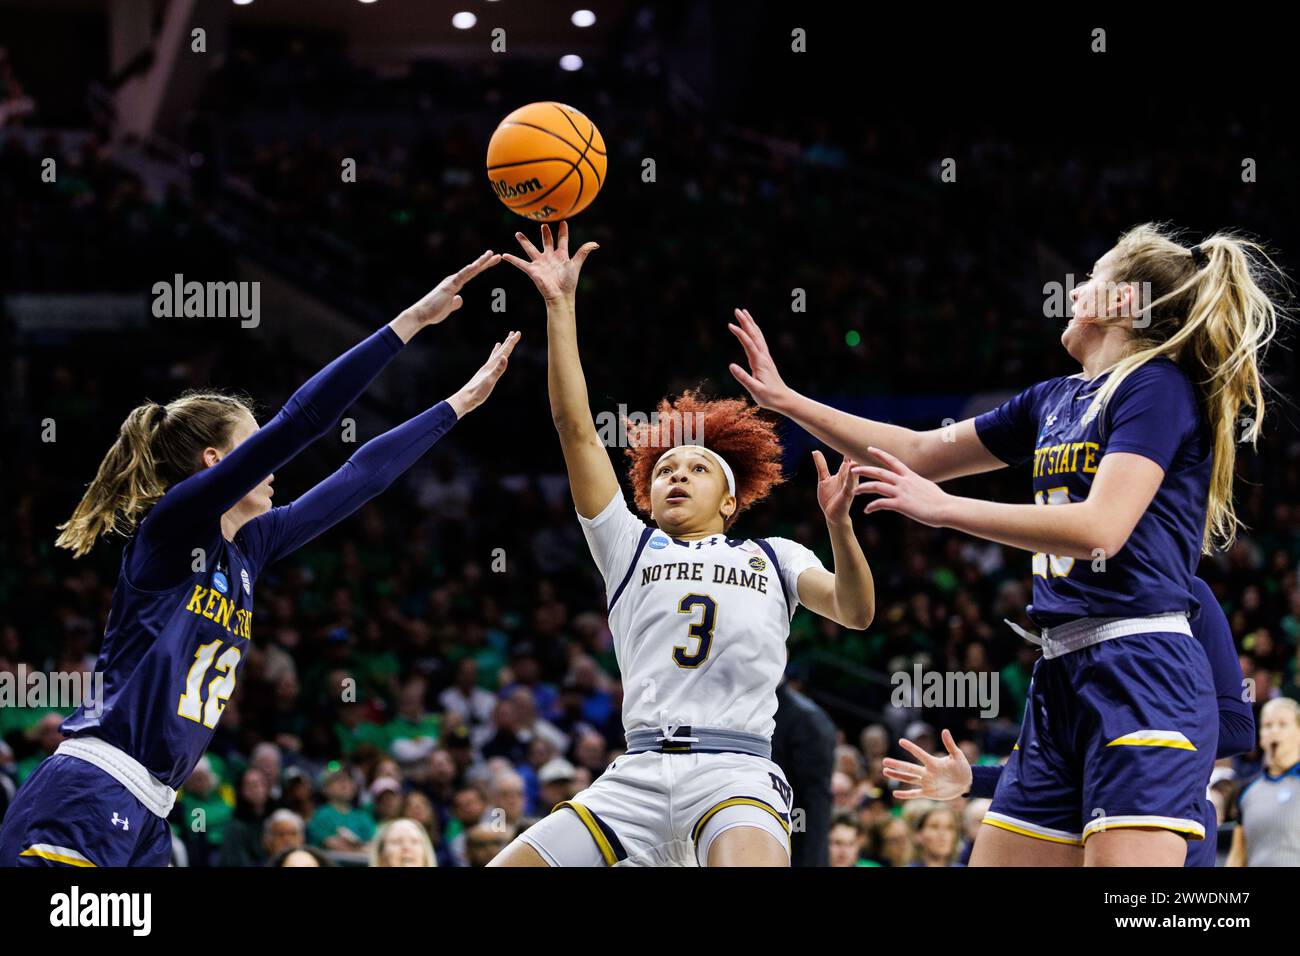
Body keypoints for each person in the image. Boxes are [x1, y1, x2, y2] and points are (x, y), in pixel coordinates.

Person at [731, 225, 1282, 866]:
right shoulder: (1052, 399)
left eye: (1092, 278)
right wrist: (788, 401)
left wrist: (945, 511)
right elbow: (917, 452)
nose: (1075, 292)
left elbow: (1102, 527)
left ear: (1123, 303)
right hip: (1061, 675)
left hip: (1142, 669)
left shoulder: (1154, 386)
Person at [0, 251, 516, 868]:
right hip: (90, 789)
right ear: (217, 462)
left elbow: (361, 477)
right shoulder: (172, 528)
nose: (272, 465)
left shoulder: (250, 548)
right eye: (256, 447)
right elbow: (303, 422)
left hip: (151, 812)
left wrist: (457, 404)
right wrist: (408, 322)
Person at [491, 223, 876, 868]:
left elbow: (856, 611)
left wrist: (840, 526)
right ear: (647, 490)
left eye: (697, 468)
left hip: (735, 773)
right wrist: (560, 306)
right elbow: (576, 429)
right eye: (667, 468)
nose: (677, 474)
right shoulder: (628, 547)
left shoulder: (776, 557)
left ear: (729, 500)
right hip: (635, 774)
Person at [880, 578, 1257, 867]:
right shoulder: (1057, 606)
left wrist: (1135, 737)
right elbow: (1067, 756)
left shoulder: (1183, 593)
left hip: (1162, 809)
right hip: (1073, 822)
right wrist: (972, 780)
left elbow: (1239, 727)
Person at [1227, 697, 1300, 866]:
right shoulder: (1247, 790)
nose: (1274, 731)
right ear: (1260, 736)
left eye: (1283, 724)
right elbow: (1238, 856)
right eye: (1267, 725)